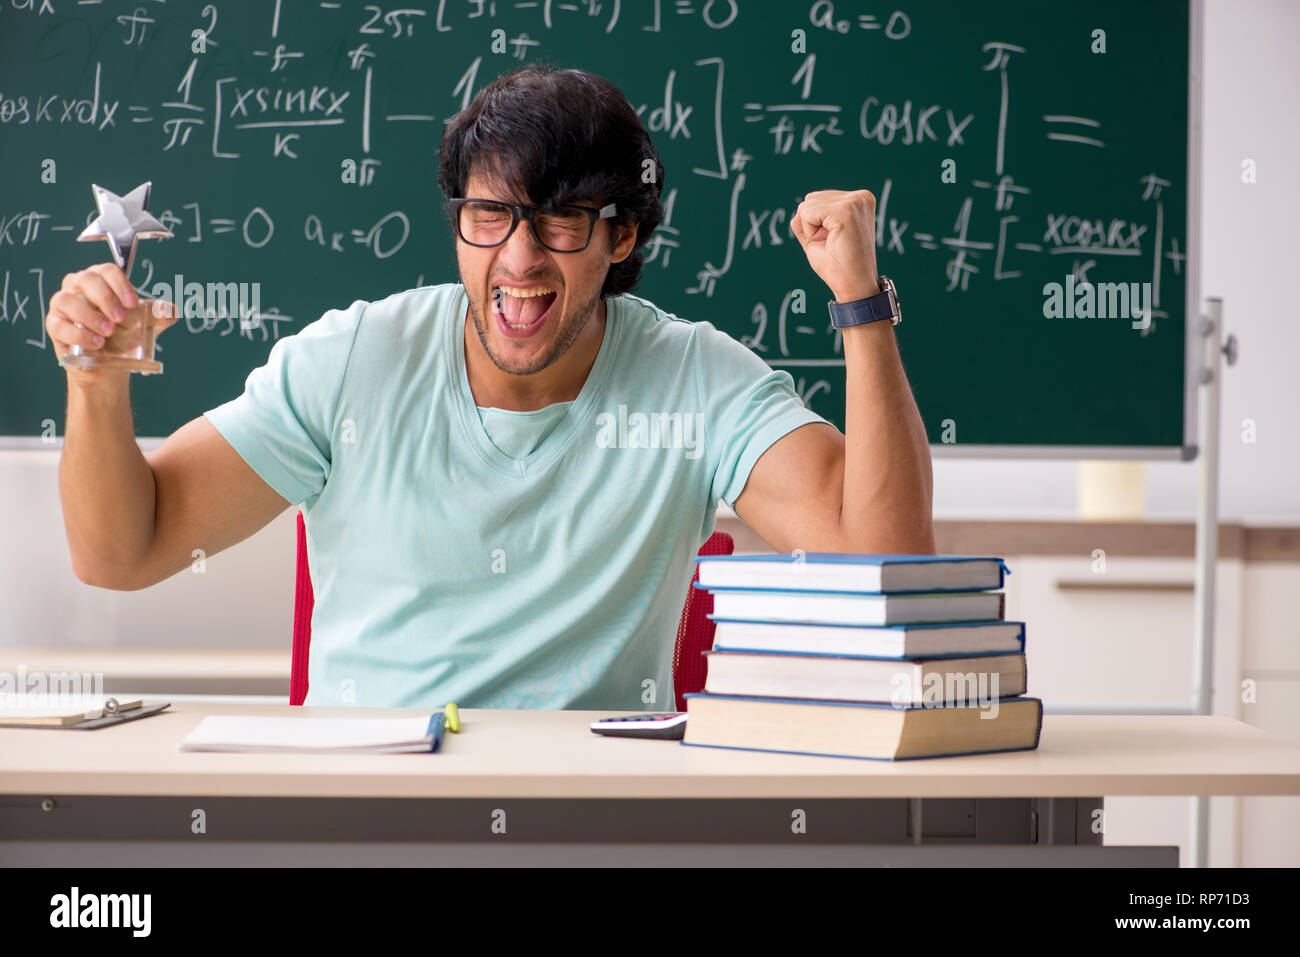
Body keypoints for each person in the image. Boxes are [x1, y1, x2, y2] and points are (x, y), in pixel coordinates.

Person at [46, 66, 934, 709]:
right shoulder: (357, 356)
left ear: (620, 238)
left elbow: (881, 561)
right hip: (363, 815)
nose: (518, 257)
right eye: (489, 215)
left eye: (557, 219)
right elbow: (121, 553)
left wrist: (862, 301)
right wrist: (93, 380)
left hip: (589, 824)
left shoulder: (694, 379)